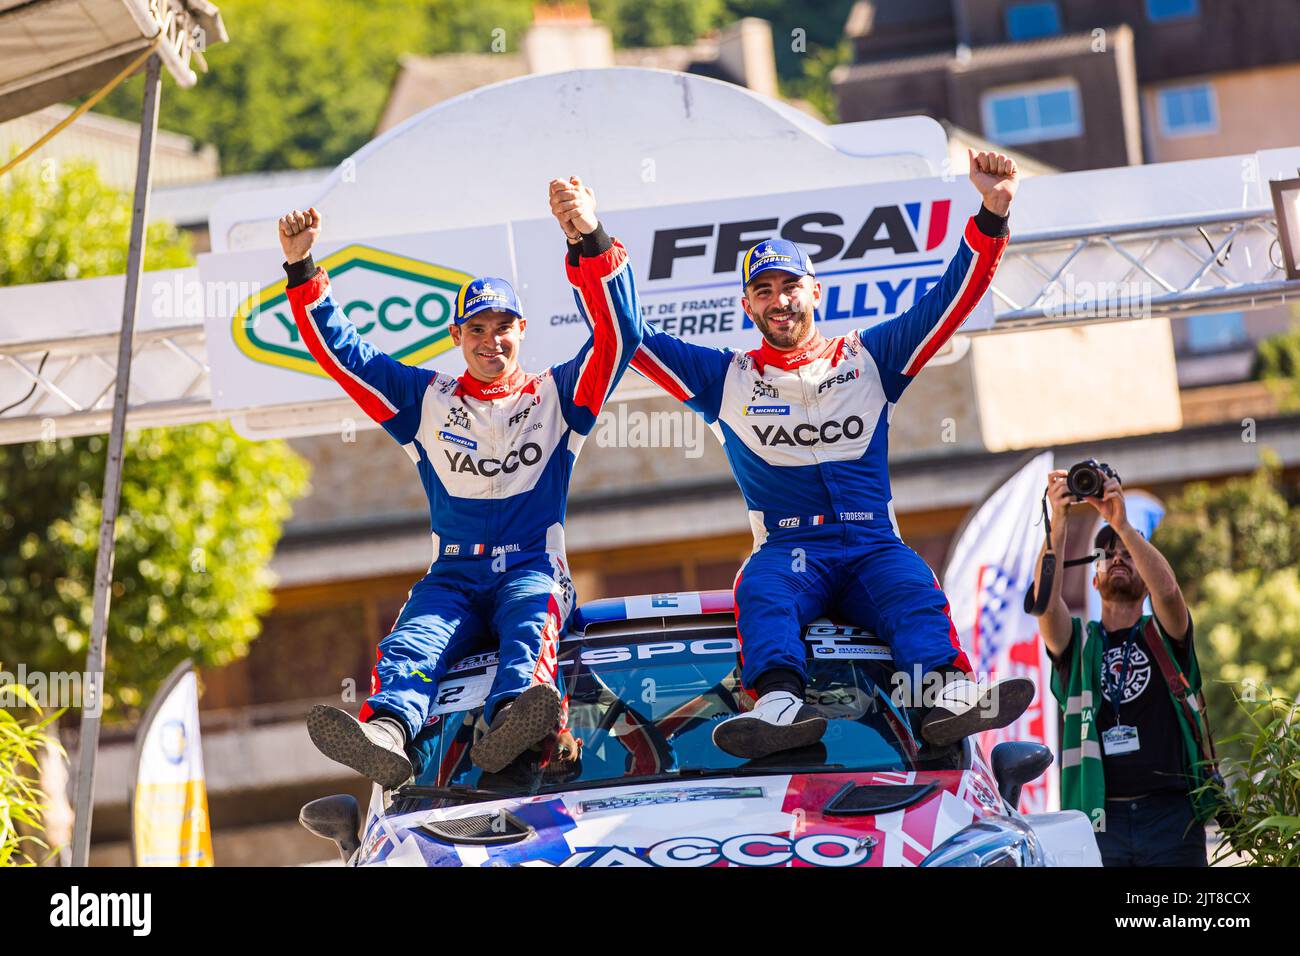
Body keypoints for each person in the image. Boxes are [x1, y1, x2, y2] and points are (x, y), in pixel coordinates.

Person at [627, 150, 1034, 758]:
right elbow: (625, 333)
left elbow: (951, 300)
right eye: (762, 291)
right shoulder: (725, 378)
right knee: (761, 586)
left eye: (790, 285)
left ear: (815, 290)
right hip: (791, 551)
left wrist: (992, 213)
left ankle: (945, 698)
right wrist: (591, 242)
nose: (779, 300)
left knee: (911, 586)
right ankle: (778, 705)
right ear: (747, 306)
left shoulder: (871, 356)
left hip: (872, 541)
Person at [284, 178, 642, 787]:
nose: (490, 340)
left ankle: (514, 720)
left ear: (523, 331)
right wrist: (301, 268)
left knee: (532, 623)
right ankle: (388, 734)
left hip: (533, 567)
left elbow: (621, 335)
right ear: (456, 337)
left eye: (503, 327)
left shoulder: (557, 394)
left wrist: (589, 237)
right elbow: (344, 356)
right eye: (476, 328)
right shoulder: (426, 399)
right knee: (413, 640)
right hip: (452, 573)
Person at [1033, 468, 1212, 866]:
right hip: (1099, 823)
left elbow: (1168, 591)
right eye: (1107, 554)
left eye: (1128, 555)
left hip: (1173, 818)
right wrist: (1058, 523)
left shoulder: (1164, 634)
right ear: (1093, 581)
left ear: (1144, 577)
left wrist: (1122, 524)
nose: (1116, 557)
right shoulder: (1079, 644)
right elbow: (1044, 604)